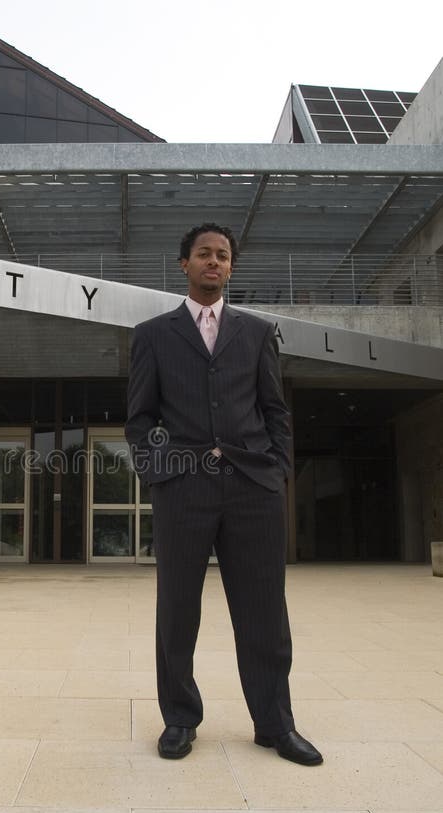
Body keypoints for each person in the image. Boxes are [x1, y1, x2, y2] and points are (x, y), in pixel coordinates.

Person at [125, 223, 322, 766]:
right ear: (183, 264)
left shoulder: (257, 333)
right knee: (178, 609)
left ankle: (275, 724)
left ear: (231, 267)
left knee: (263, 611)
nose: (214, 262)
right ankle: (181, 719)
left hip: (252, 490)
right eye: (204, 254)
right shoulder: (152, 335)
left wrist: (277, 471)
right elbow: (139, 420)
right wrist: (158, 471)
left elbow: (275, 412)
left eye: (223, 256)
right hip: (182, 491)